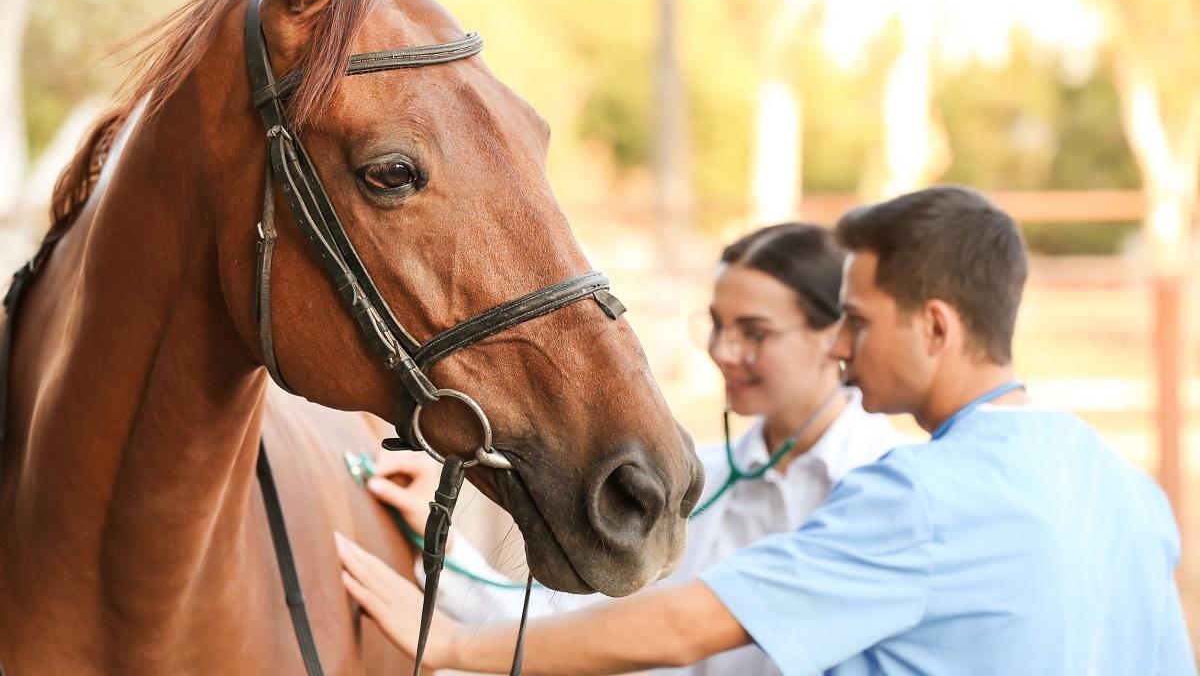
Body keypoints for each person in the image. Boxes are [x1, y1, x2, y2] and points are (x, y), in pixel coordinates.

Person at [337, 186, 1197, 676]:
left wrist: (452, 645)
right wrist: (451, 564)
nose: (844, 344)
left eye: (857, 321)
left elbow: (683, 632)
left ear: (935, 327)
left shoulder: (915, 495)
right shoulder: (1127, 489)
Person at [353, 222, 909, 675]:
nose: (723, 351)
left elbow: (667, 636)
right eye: (716, 325)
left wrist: (455, 648)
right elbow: (584, 637)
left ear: (832, 335)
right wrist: (442, 543)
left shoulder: (885, 488)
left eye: (754, 332)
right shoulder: (709, 477)